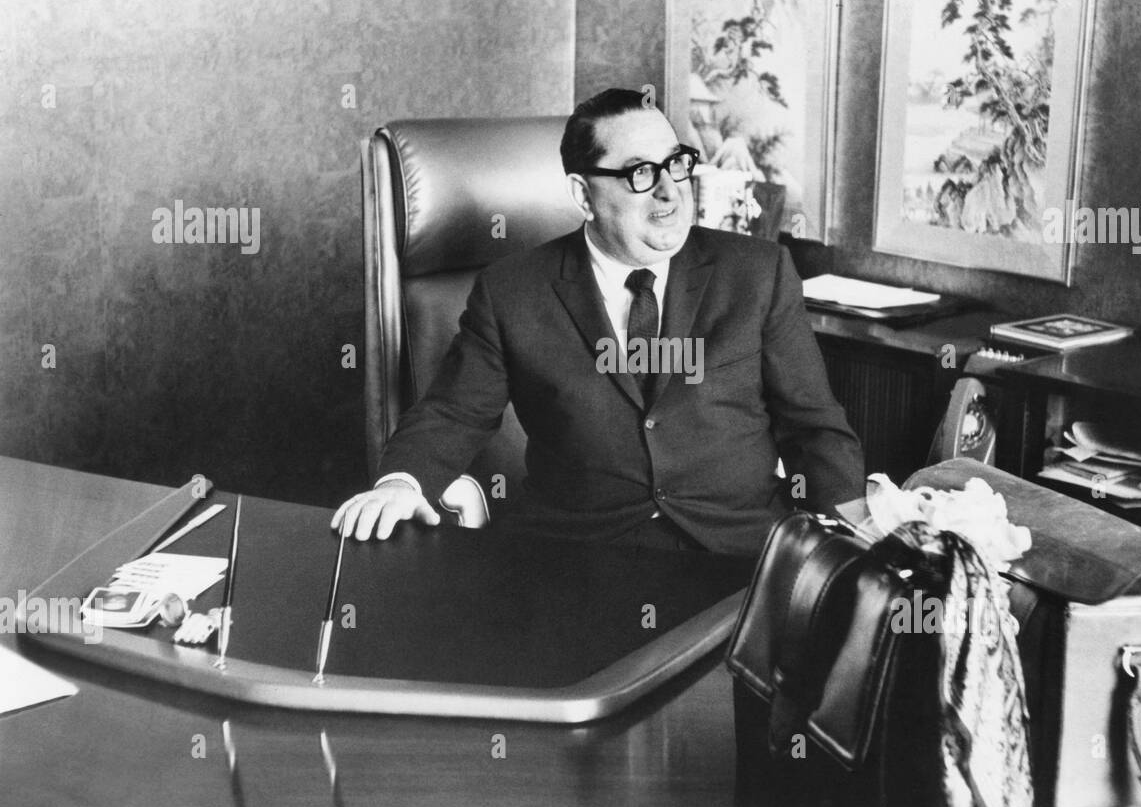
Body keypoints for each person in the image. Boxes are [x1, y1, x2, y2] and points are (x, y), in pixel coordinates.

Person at [332, 89, 863, 556]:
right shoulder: (513, 292)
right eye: (640, 174)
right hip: (578, 558)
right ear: (584, 195)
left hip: (735, 556)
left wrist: (841, 550)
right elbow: (453, 412)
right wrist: (399, 484)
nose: (670, 191)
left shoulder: (756, 274)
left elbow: (815, 428)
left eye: (676, 165)